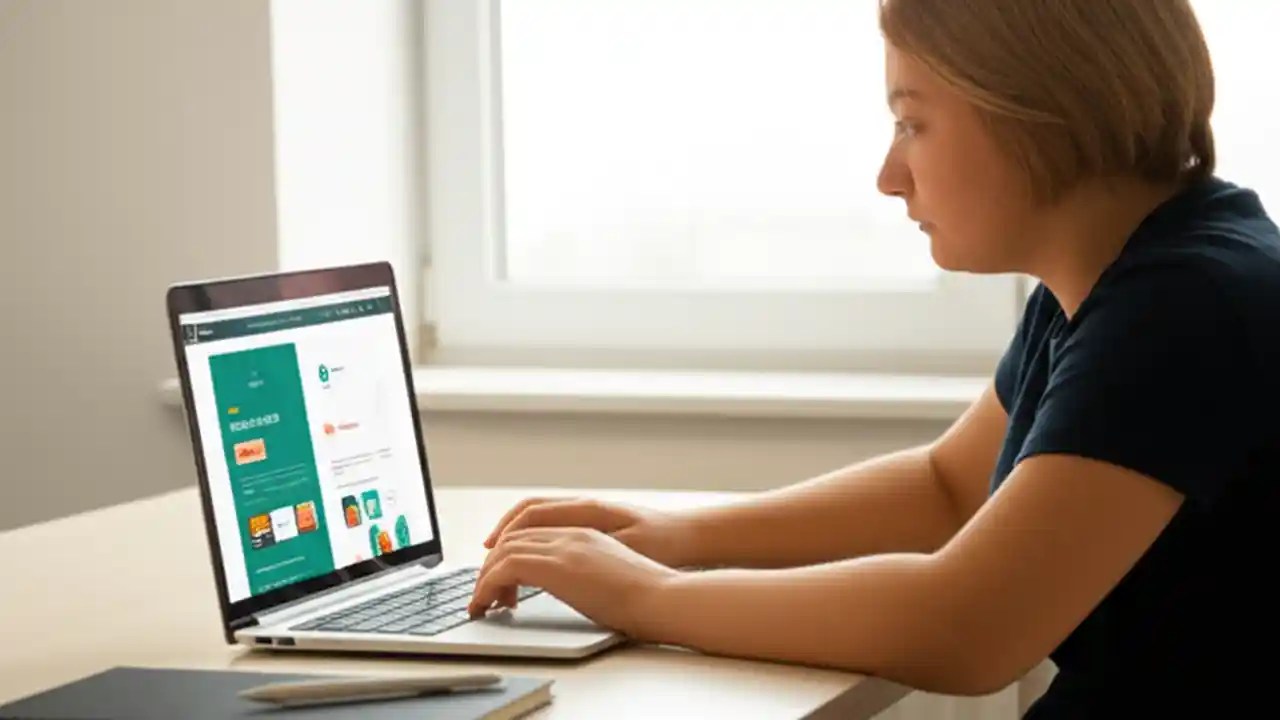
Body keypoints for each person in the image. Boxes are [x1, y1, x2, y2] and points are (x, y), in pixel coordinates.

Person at [468, 1, 1280, 715]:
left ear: (1039, 110)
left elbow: (971, 627)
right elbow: (949, 487)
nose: (890, 176)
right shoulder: (1124, 276)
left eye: (912, 123)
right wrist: (678, 535)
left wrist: (650, 596)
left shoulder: (1182, 305)